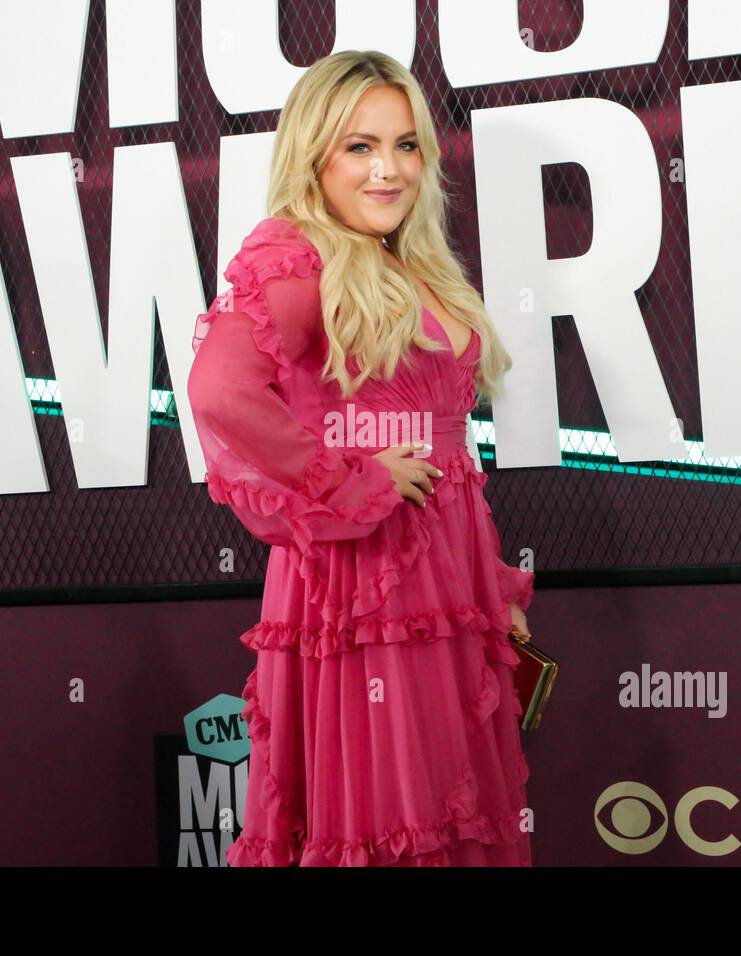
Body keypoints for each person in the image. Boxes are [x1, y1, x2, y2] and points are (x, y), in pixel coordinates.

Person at [187, 50, 535, 866]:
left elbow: (453, 452)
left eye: (406, 146)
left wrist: (492, 591)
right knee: (388, 809)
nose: (389, 170)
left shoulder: (408, 261)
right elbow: (221, 395)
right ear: (314, 156)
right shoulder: (300, 257)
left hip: (446, 574)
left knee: (449, 798)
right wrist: (347, 480)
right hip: (364, 575)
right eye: (360, 147)